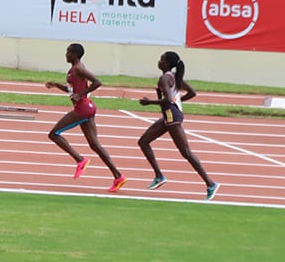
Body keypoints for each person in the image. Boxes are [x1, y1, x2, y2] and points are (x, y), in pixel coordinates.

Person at [43, 43, 126, 193]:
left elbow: (97, 82)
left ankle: (80, 160)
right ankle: (118, 176)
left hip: (83, 108)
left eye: (68, 52)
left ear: (75, 54)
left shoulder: (79, 68)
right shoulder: (74, 69)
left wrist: (80, 95)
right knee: (95, 145)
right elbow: (72, 89)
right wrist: (56, 85)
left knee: (53, 134)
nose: (66, 55)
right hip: (87, 108)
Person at [137, 51, 219, 199]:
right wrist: (178, 102)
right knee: (143, 142)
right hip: (170, 115)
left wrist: (150, 102)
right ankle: (159, 176)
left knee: (186, 152)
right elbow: (192, 93)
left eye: (161, 59)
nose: (159, 61)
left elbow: (168, 99)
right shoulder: (174, 77)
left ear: (167, 63)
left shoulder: (164, 78)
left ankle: (210, 183)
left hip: (172, 115)